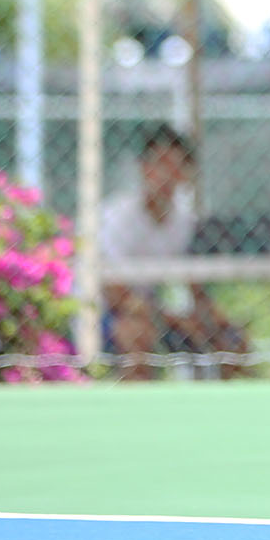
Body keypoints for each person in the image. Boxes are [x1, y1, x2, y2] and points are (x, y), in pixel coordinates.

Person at [100, 125, 249, 380]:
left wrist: (215, 321)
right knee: (136, 334)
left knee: (231, 341)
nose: (166, 175)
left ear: (186, 175)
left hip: (155, 314)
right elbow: (116, 295)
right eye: (159, 164)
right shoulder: (115, 217)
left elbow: (195, 286)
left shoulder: (184, 222)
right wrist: (177, 320)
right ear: (143, 168)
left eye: (176, 166)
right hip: (107, 315)